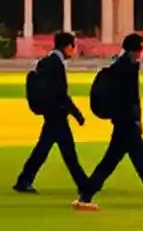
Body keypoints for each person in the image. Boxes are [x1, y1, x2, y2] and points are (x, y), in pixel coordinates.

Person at [74, 34, 143, 211]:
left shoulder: (120, 65)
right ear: (135, 50)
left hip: (122, 121)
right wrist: (136, 120)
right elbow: (130, 98)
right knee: (139, 161)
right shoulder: (128, 68)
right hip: (127, 122)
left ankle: (86, 195)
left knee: (111, 161)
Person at [14, 32, 89, 195]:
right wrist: (77, 114)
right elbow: (61, 94)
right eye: (73, 46)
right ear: (68, 47)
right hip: (57, 114)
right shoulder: (56, 64)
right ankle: (83, 184)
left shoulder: (47, 62)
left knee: (43, 149)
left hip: (51, 113)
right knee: (68, 152)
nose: (73, 50)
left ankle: (24, 180)